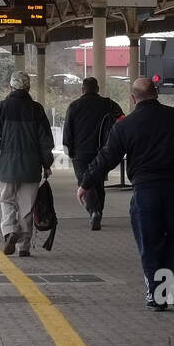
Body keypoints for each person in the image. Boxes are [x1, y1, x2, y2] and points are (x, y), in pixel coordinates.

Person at [77, 76, 174, 311]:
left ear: (133, 98)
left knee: (150, 242)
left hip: (146, 192)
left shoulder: (126, 125)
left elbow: (107, 157)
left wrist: (86, 183)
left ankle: (157, 295)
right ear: (156, 93)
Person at [0, 71, 53, 257]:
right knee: (27, 206)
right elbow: (45, 140)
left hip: (7, 166)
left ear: (10, 87)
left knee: (7, 201)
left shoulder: (1, 108)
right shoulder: (37, 109)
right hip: (31, 166)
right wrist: (47, 164)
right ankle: (24, 246)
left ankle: (11, 231)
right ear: (28, 88)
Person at [62, 77, 123, 231]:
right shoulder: (108, 104)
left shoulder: (74, 106)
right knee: (98, 182)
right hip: (103, 151)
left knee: (85, 182)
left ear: (82, 89)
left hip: (80, 153)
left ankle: (93, 211)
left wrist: (69, 149)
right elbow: (122, 120)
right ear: (97, 89)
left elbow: (68, 130)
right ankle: (99, 212)